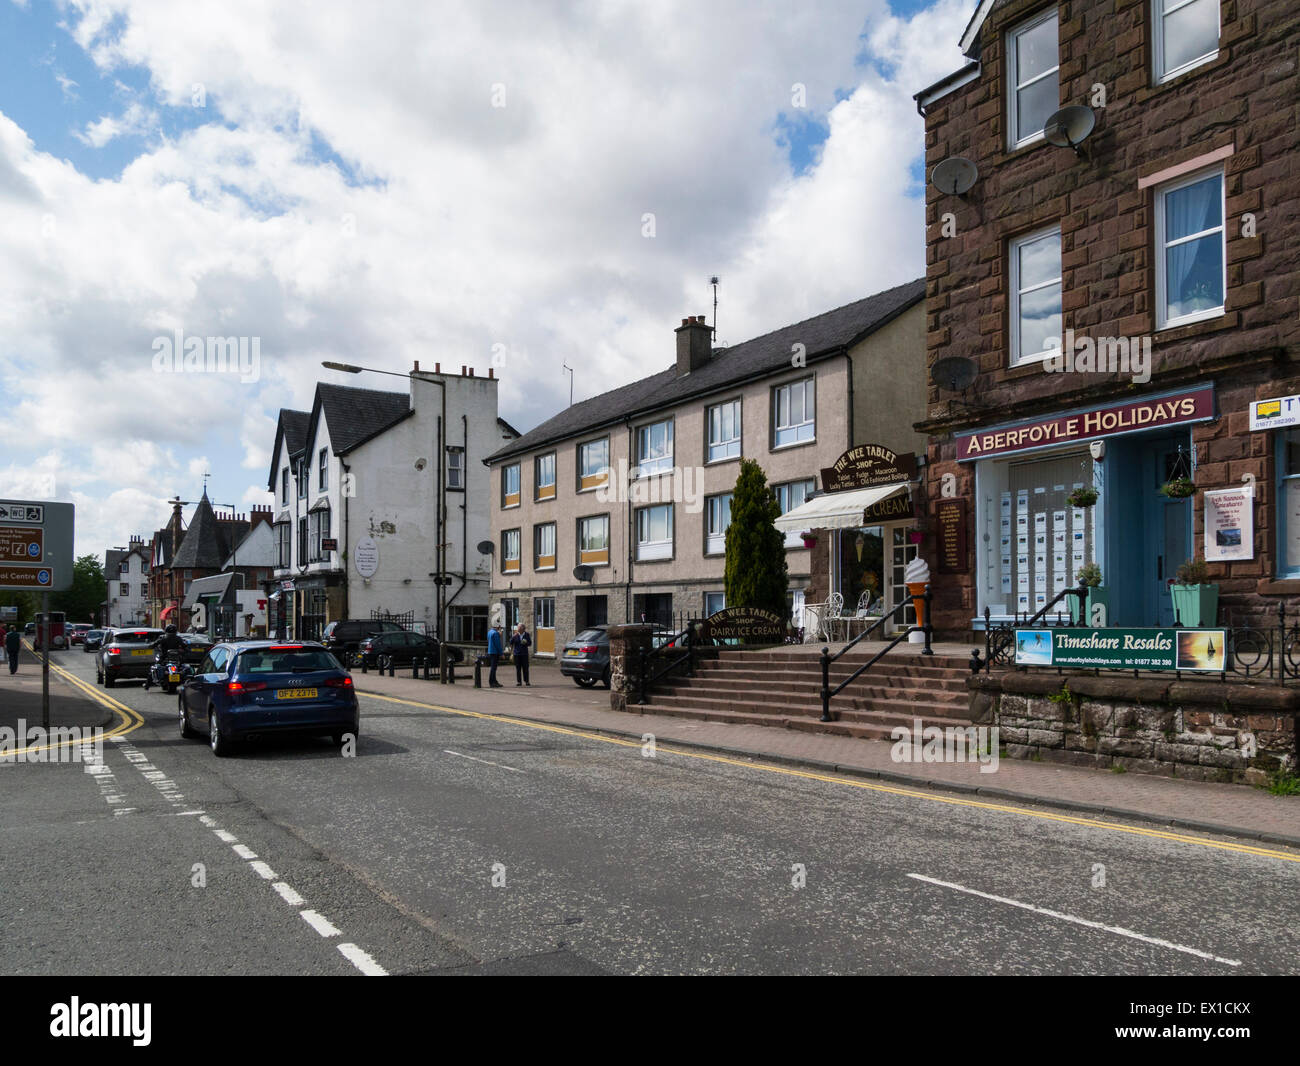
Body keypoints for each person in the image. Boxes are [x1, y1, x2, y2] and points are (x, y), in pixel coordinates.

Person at [143, 624, 185, 690]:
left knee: (153, 668)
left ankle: (147, 685)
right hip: (177, 659)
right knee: (183, 667)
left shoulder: (162, 637)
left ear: (166, 630)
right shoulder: (178, 638)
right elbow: (185, 646)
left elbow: (153, 645)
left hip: (164, 658)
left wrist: (150, 646)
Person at [486, 622, 505, 688]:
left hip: (490, 651)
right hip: (495, 652)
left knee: (493, 668)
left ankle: (494, 681)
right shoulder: (495, 633)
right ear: (497, 627)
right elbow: (498, 644)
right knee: (494, 668)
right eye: (499, 627)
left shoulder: (490, 632)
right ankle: (492, 682)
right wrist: (501, 653)